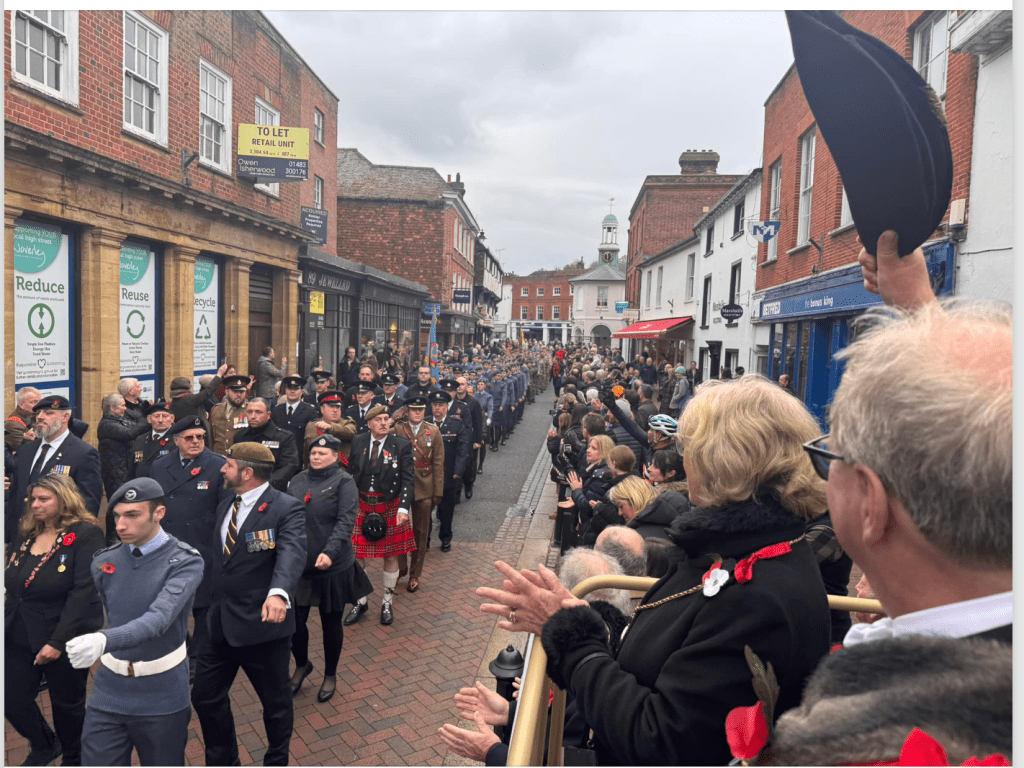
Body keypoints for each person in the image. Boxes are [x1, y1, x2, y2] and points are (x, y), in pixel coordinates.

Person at [478, 374, 832, 765]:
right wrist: (585, 620)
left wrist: (570, 639)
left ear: (723, 463)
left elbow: (661, 740)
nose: (684, 460)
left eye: (691, 449)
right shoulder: (732, 552)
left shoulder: (755, 593)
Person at [66, 477, 203, 766]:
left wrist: (104, 640)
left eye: (132, 515)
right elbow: (114, 610)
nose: (120, 525)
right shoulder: (104, 561)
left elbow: (158, 619)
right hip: (108, 692)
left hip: (162, 694)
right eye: (116, 515)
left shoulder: (185, 562)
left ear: (159, 513)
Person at [190, 442, 306, 767]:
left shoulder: (286, 508)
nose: (222, 470)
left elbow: (292, 553)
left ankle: (276, 760)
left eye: (227, 465)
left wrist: (279, 593)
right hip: (218, 626)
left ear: (247, 472)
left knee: (276, 705)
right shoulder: (226, 504)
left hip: (263, 628)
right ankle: (224, 760)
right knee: (205, 697)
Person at [5, 474, 105, 767]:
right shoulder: (27, 532)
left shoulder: (86, 534)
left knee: (67, 706)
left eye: (43, 499)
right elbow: (13, 578)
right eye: (32, 499)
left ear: (64, 500)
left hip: (63, 633)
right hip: (19, 629)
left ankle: (75, 758)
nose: (35, 505)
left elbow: (83, 593)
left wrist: (57, 642)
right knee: (11, 696)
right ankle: (45, 744)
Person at [286, 435, 370, 702]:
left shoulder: (344, 482)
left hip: (331, 566)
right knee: (294, 623)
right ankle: (302, 665)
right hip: (301, 565)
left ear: (335, 456)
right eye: (313, 453)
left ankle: (330, 674)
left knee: (330, 621)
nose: (316, 457)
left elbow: (345, 521)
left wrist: (329, 552)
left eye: (323, 453)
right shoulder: (298, 480)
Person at [148, 416, 232, 675]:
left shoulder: (217, 466)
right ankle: (181, 647)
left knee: (203, 606)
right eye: (189, 438)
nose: (196, 441)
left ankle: (199, 657)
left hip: (203, 547)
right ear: (176, 441)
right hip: (168, 547)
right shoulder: (161, 465)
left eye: (200, 437)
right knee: (172, 602)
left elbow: (227, 512)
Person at [343, 405, 415, 626]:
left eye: (387, 419)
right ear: (369, 424)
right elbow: (351, 472)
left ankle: (387, 601)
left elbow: (408, 480)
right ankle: (361, 600)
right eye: (379, 419)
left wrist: (403, 508)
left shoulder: (400, 445)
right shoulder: (358, 441)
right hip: (362, 504)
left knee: (391, 555)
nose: (385, 422)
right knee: (356, 554)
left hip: (389, 504)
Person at [12, 395, 103, 519]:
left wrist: (76, 535)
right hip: (22, 530)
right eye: (38, 413)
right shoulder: (27, 450)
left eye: (48, 413)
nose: (40, 417)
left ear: (65, 417)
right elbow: (16, 493)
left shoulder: (83, 453)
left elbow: (89, 502)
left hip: (58, 530)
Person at [391, 396, 444, 593]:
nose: (417, 413)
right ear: (407, 411)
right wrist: (393, 419)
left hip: (425, 485)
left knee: (421, 533)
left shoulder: (433, 431)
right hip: (402, 485)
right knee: (399, 531)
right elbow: (378, 434)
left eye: (420, 410)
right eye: (413, 410)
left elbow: (438, 463)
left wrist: (437, 491)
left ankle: (415, 573)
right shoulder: (398, 429)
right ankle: (401, 568)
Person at [426, 391, 470, 552]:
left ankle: (445, 538)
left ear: (446, 407)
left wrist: (458, 471)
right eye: (435, 405)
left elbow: (463, 449)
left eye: (441, 405)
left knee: (446, 511)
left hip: (448, 475)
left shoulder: (456, 424)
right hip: (427, 476)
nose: (438, 409)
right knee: (425, 511)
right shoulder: (425, 424)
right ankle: (425, 540)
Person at [231, 397, 301, 492]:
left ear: (268, 415)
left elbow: (289, 466)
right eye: (250, 412)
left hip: (272, 490)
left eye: (258, 412)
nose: (253, 416)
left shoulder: (284, 437)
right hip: (244, 489)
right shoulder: (240, 437)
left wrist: (263, 485)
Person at [97, 393, 150, 499]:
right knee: (119, 503)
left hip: (125, 470)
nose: (125, 409)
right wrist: (146, 418)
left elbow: (136, 426)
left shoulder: (119, 420)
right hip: (116, 474)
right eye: (122, 406)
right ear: (112, 408)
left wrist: (143, 411)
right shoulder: (107, 425)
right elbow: (130, 433)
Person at [302, 391, 357, 467]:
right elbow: (306, 451)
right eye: (331, 407)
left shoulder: (347, 422)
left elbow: (350, 432)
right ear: (322, 409)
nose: (335, 410)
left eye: (338, 407)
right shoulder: (312, 425)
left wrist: (331, 427)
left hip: (339, 469)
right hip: (316, 469)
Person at [127, 399, 176, 481]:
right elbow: (132, 469)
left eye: (164, 416)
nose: (160, 420)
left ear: (172, 419)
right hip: (141, 487)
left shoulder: (177, 440)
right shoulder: (140, 440)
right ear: (149, 419)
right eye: (156, 416)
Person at [454, 376, 483, 499]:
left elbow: (478, 423)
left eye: (462, 384)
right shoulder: (451, 400)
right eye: (458, 384)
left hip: (469, 439)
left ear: (467, 386)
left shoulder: (473, 402)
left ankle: (469, 484)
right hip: (455, 438)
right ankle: (456, 491)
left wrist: (477, 440)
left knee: (469, 465)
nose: (460, 386)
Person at [272, 375, 318, 447]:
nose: (292, 391)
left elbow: (312, 436)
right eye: (290, 388)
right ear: (286, 391)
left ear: (301, 392)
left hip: (300, 453)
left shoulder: (309, 411)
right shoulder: (276, 410)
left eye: (296, 389)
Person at [6, 386, 42, 452]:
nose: (39, 405)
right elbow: (27, 449)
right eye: (34, 402)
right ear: (21, 404)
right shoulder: (14, 424)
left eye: (40, 402)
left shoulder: (34, 415)